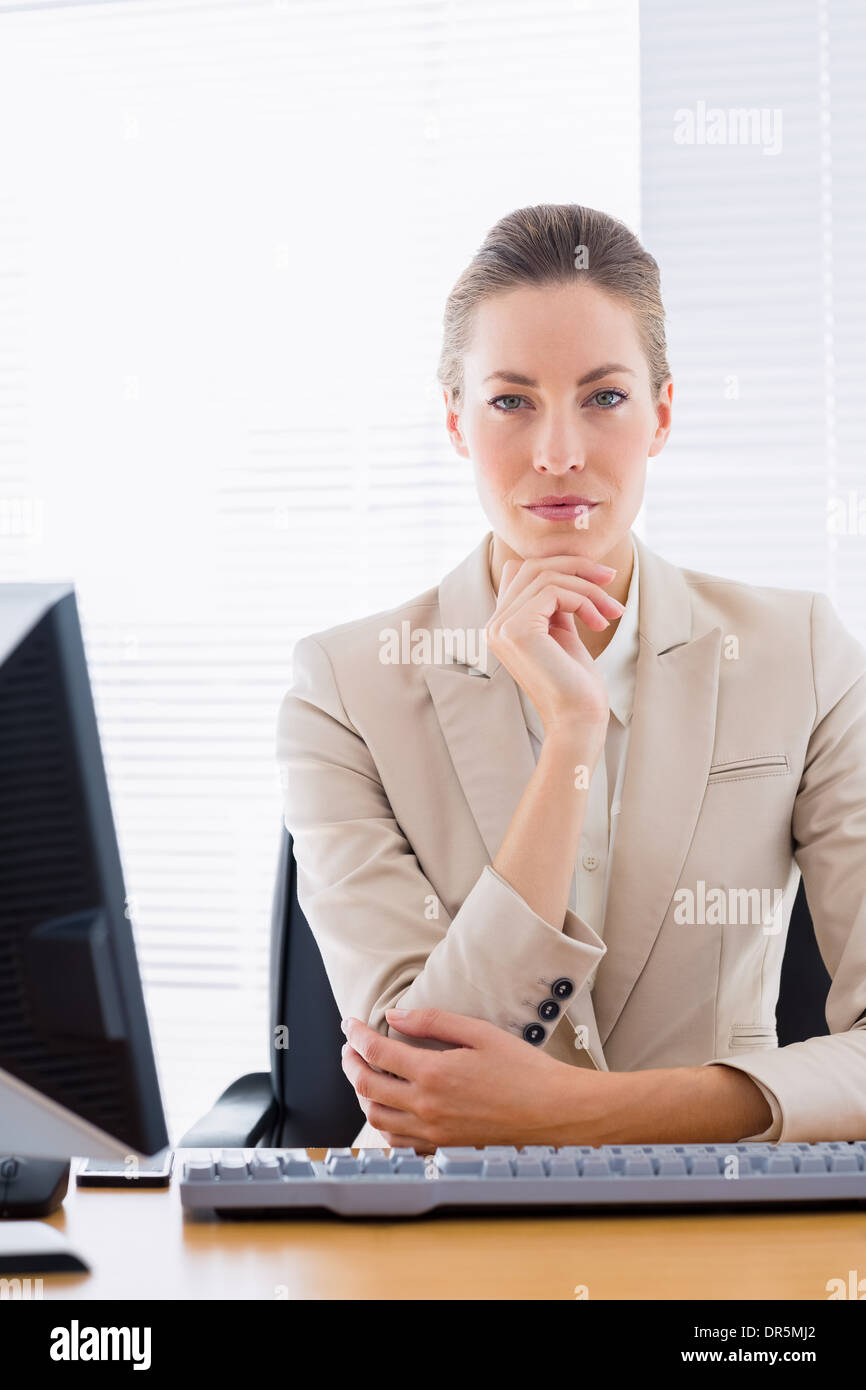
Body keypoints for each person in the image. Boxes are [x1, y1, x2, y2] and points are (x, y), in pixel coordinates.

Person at [276, 203, 866, 1153]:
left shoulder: (798, 652)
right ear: (455, 420)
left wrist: (577, 1114)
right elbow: (413, 1075)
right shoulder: (343, 688)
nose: (559, 454)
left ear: (661, 413)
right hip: (443, 1218)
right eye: (511, 401)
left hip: (717, 1211)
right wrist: (572, 738)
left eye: (604, 397)